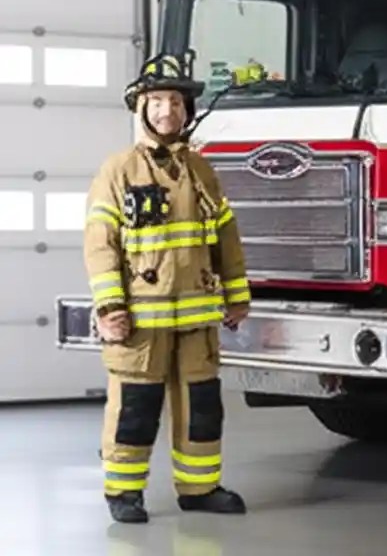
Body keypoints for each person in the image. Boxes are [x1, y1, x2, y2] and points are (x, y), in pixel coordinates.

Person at [84, 53, 250, 524]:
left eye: (175, 101)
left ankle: (199, 488)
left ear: (187, 111)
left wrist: (237, 295)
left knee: (201, 407)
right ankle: (124, 492)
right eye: (156, 101)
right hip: (140, 322)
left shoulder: (201, 171)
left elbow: (226, 237)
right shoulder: (117, 172)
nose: (167, 112)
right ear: (140, 109)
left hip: (196, 318)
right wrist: (109, 305)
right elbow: (100, 244)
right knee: (135, 408)